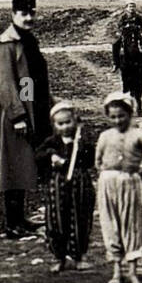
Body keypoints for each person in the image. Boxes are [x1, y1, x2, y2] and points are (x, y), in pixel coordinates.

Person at [0, 0, 52, 238]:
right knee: (13, 166)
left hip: (31, 109)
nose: (28, 18)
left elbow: (31, 78)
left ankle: (21, 218)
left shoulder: (28, 40)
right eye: (23, 13)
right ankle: (11, 222)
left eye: (32, 13)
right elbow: (4, 83)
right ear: (13, 15)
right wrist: (18, 116)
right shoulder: (5, 44)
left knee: (24, 164)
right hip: (12, 116)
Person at [95, 91, 142, 283]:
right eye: (113, 116)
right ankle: (117, 270)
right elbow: (98, 161)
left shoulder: (138, 136)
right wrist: (108, 175)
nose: (117, 120)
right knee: (111, 225)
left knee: (131, 225)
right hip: (108, 184)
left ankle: (132, 273)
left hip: (130, 185)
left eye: (122, 116)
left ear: (130, 114)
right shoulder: (105, 136)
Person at [34, 101, 97, 273]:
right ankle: (58, 256)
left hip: (80, 185)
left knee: (80, 219)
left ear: (75, 121)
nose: (65, 127)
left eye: (68, 122)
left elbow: (92, 159)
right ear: (54, 125)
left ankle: (78, 256)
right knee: (56, 220)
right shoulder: (52, 142)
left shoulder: (81, 141)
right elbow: (38, 156)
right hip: (57, 186)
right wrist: (51, 156)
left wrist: (81, 147)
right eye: (60, 124)